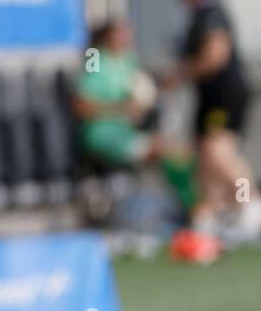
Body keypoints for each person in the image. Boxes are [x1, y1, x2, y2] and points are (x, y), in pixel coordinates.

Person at [162, 0, 261, 248]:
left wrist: (181, 74)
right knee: (204, 154)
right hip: (209, 96)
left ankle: (252, 202)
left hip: (224, 94)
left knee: (218, 150)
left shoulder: (211, 13)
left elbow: (216, 55)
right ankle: (210, 215)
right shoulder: (200, 16)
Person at [72, 19, 195, 212]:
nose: (126, 38)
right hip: (104, 135)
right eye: (120, 33)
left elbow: (139, 93)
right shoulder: (95, 57)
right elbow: (82, 104)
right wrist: (121, 108)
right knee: (165, 151)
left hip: (128, 131)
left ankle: (190, 203)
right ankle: (190, 208)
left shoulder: (128, 60)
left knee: (183, 151)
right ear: (107, 36)